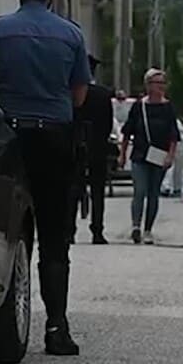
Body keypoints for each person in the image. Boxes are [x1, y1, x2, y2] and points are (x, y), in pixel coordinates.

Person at [0, 0, 90, 356]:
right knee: (55, 238)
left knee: (5, 230)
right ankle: (57, 327)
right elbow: (79, 94)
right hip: (55, 141)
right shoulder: (71, 35)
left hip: (10, 141)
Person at [118, 68, 180, 245]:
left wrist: (170, 155)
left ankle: (148, 230)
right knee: (140, 191)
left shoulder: (168, 107)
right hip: (140, 155)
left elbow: (173, 135)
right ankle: (136, 226)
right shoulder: (139, 106)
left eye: (163, 83)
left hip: (159, 156)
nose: (161, 87)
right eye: (157, 83)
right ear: (148, 85)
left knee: (154, 193)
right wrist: (122, 155)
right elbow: (127, 132)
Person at [69, 54, 115, 245]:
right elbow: (107, 124)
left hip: (73, 146)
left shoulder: (69, 92)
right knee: (97, 191)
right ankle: (97, 230)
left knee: (71, 190)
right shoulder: (103, 94)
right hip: (98, 147)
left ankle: (69, 230)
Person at [160, 119, 183, 199]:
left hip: (175, 141)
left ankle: (167, 187)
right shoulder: (175, 120)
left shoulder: (163, 118)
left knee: (170, 166)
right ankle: (177, 188)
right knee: (178, 168)